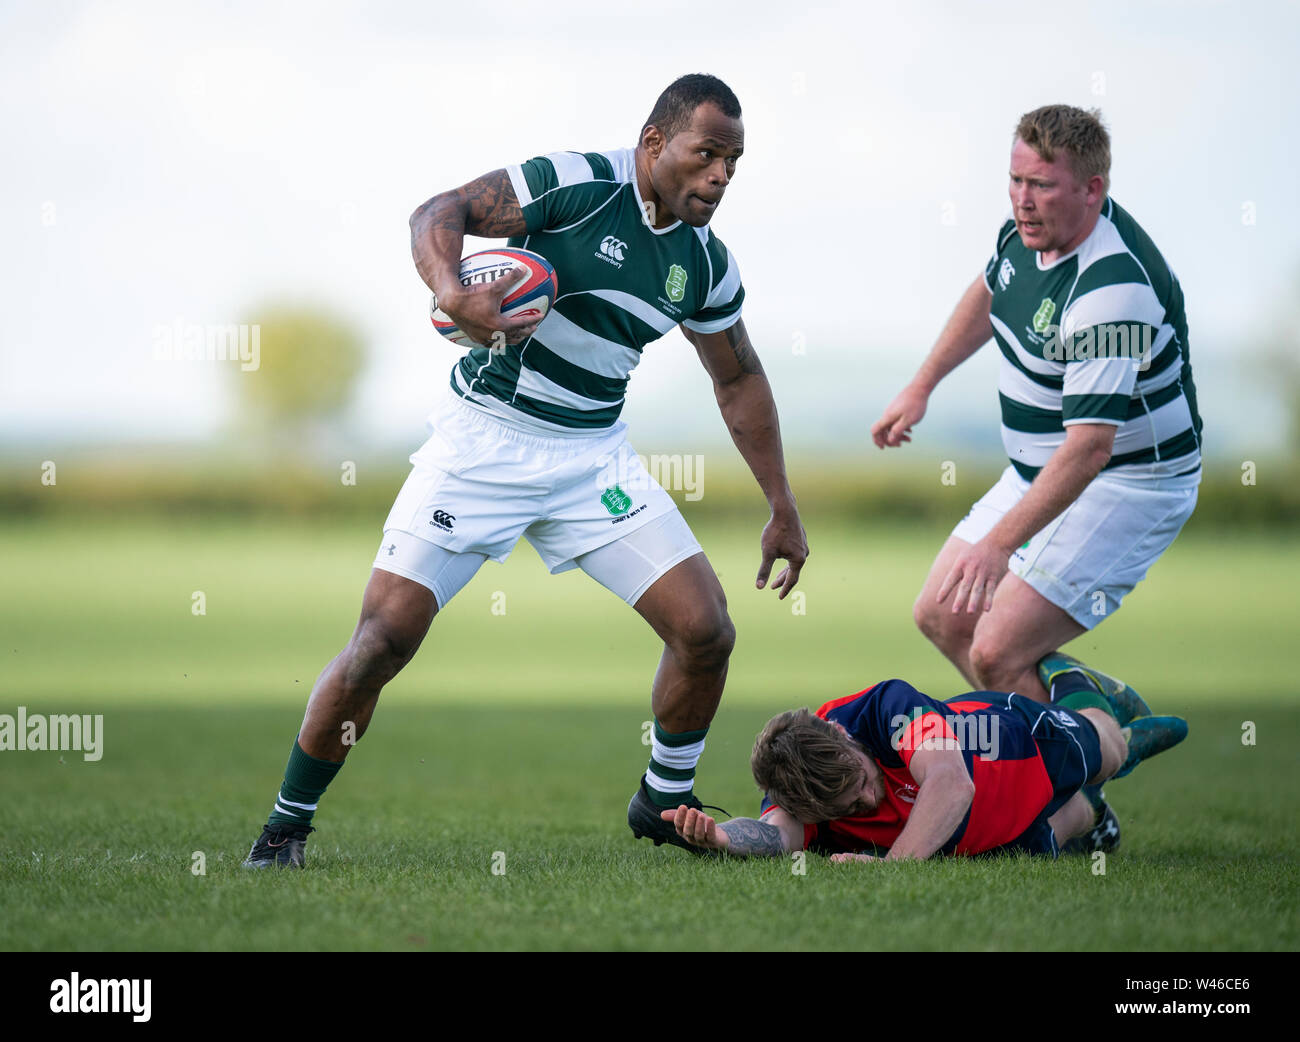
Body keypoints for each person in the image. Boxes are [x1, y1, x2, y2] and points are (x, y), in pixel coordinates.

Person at [243, 73, 809, 868]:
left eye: (734, 162)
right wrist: (451, 290)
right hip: (482, 444)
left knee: (706, 629)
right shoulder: (574, 185)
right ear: (654, 144)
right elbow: (436, 212)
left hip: (591, 458)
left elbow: (738, 377)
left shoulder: (705, 263)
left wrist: (780, 503)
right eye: (707, 153)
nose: (721, 175)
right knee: (382, 641)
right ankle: (284, 828)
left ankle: (660, 799)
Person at [870, 104, 1202, 706]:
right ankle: (1085, 710)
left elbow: (1090, 449)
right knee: (942, 615)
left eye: (1042, 185)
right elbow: (989, 289)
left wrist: (998, 546)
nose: (1023, 199)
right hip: (1037, 470)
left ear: (1092, 189)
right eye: (1016, 180)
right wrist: (923, 385)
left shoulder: (1111, 290)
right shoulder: (1024, 233)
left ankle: (1081, 786)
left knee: (997, 650)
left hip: (1129, 483)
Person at [661, 674, 1187, 860]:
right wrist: (721, 838)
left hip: (1022, 745)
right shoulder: (803, 787)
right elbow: (774, 834)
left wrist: (894, 868)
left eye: (863, 782)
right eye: (848, 807)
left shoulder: (885, 707)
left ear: (844, 739)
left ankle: (1075, 681)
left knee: (1108, 750)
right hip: (994, 831)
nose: (868, 802)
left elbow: (950, 782)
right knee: (1067, 823)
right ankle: (1093, 812)